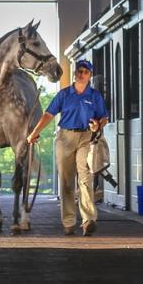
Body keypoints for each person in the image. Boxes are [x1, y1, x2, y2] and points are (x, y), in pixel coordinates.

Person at [27, 59, 109, 236]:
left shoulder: (94, 96)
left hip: (86, 137)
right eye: (79, 71)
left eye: (85, 72)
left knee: (85, 177)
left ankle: (88, 220)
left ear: (90, 75)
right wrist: (34, 133)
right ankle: (69, 221)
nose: (82, 74)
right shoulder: (64, 95)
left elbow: (104, 117)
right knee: (66, 180)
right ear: (74, 73)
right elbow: (48, 114)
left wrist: (98, 125)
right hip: (65, 137)